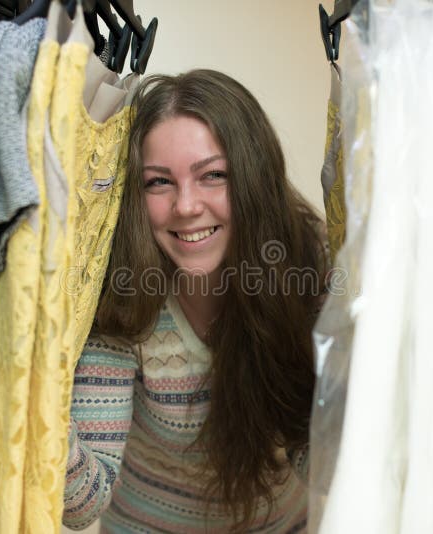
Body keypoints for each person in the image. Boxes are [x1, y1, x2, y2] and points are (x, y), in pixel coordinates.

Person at [63, 69, 331, 533]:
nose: (186, 206)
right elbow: (81, 503)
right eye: (159, 183)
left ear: (252, 179)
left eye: (212, 175)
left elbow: (323, 464)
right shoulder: (124, 289)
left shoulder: (309, 266)